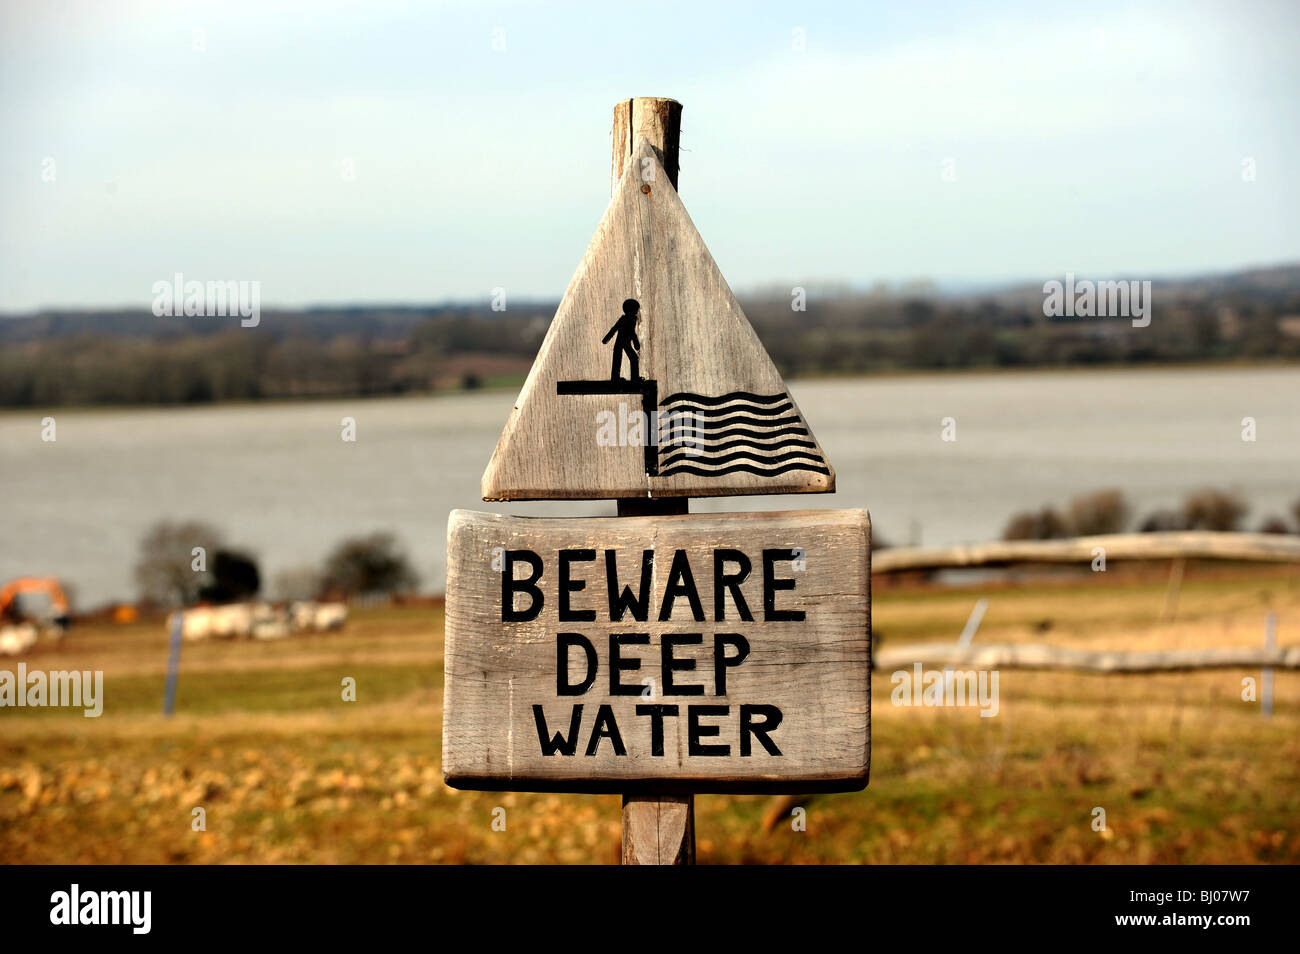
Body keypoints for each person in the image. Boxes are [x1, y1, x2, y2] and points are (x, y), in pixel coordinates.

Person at [602, 298, 641, 381]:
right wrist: (636, 342)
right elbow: (630, 331)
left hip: (622, 341)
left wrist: (606, 339)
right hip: (623, 341)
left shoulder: (628, 318)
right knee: (633, 358)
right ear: (632, 310)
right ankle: (634, 378)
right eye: (636, 309)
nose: (637, 311)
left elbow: (614, 328)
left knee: (618, 358)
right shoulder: (628, 319)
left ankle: (616, 377)